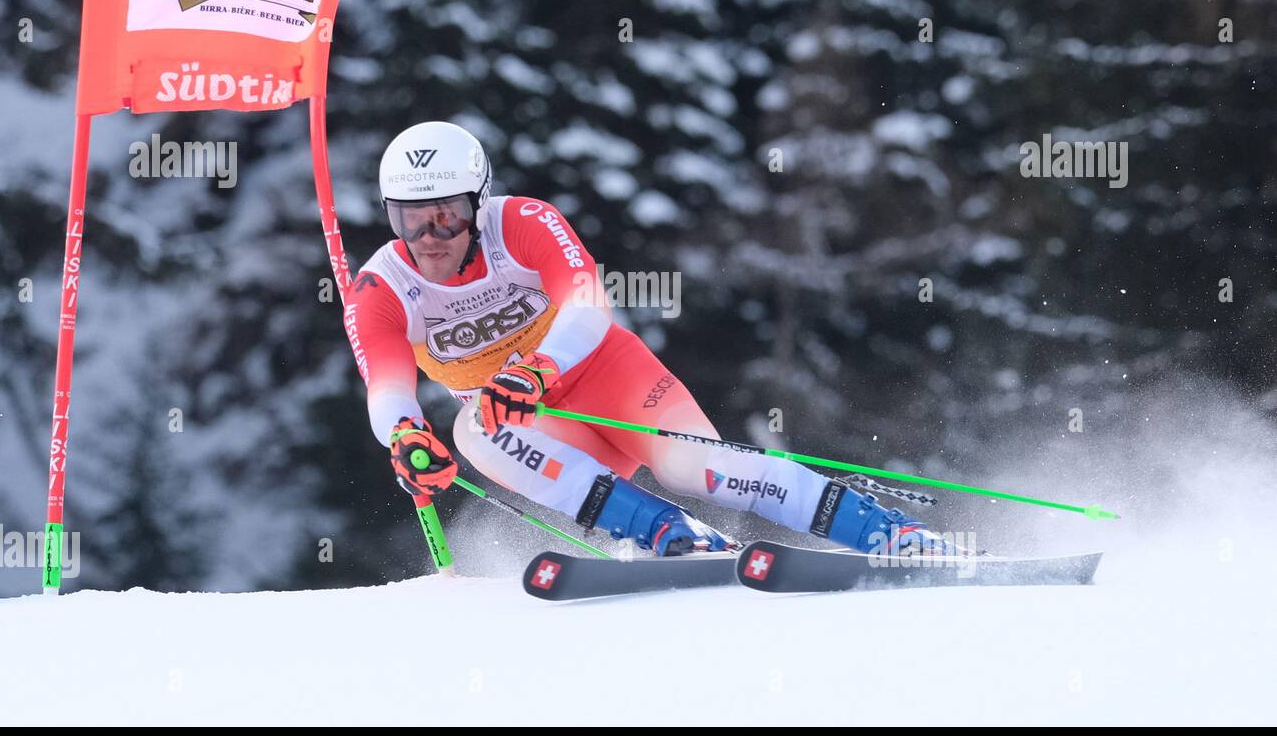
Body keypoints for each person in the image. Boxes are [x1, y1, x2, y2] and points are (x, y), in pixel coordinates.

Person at [345, 121, 960, 557]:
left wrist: (535, 369)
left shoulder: (522, 222)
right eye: (408, 219)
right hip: (536, 425)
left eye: (446, 216)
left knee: (700, 468)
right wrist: (405, 437)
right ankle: (669, 533)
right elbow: (388, 390)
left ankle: (890, 534)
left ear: (479, 204)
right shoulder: (382, 286)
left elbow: (589, 305)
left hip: (606, 377)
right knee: (475, 428)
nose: (428, 238)